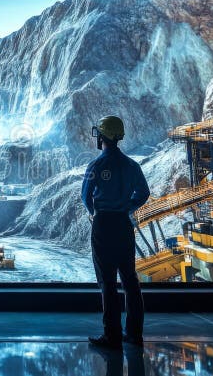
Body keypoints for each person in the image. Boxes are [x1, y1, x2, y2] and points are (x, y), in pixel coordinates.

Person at [81, 115, 150, 349]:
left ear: (102, 137)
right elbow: (143, 193)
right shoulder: (132, 166)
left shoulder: (96, 165)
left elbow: (85, 196)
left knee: (108, 282)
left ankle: (111, 335)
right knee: (130, 280)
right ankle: (135, 334)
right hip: (123, 224)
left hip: (103, 225)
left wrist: (95, 212)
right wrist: (127, 207)